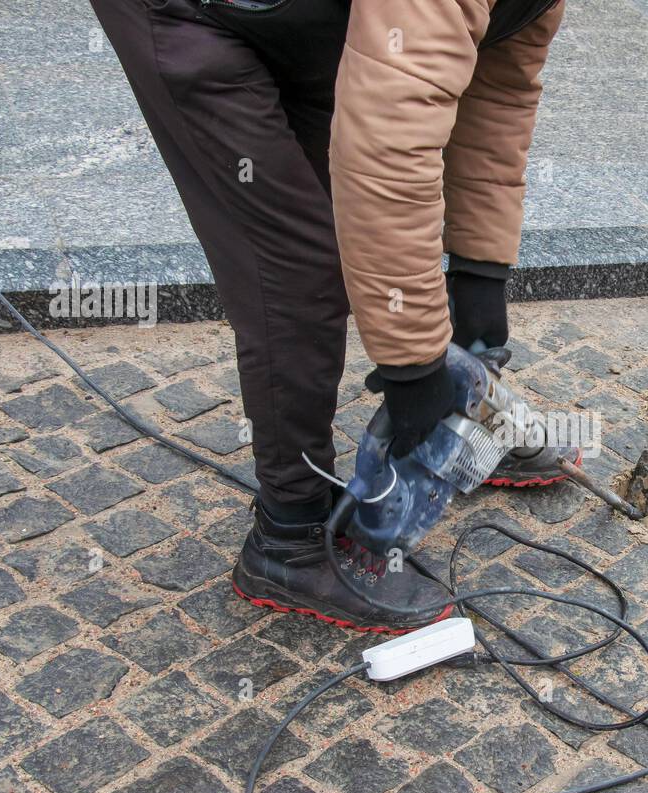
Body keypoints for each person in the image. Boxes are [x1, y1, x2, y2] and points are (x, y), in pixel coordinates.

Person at [90, 0, 571, 633]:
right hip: (192, 17)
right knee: (295, 265)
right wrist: (413, 365)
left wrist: (480, 276)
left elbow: (498, 92)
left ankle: (467, 437)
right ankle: (287, 539)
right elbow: (388, 153)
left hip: (308, 24)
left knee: (343, 208)